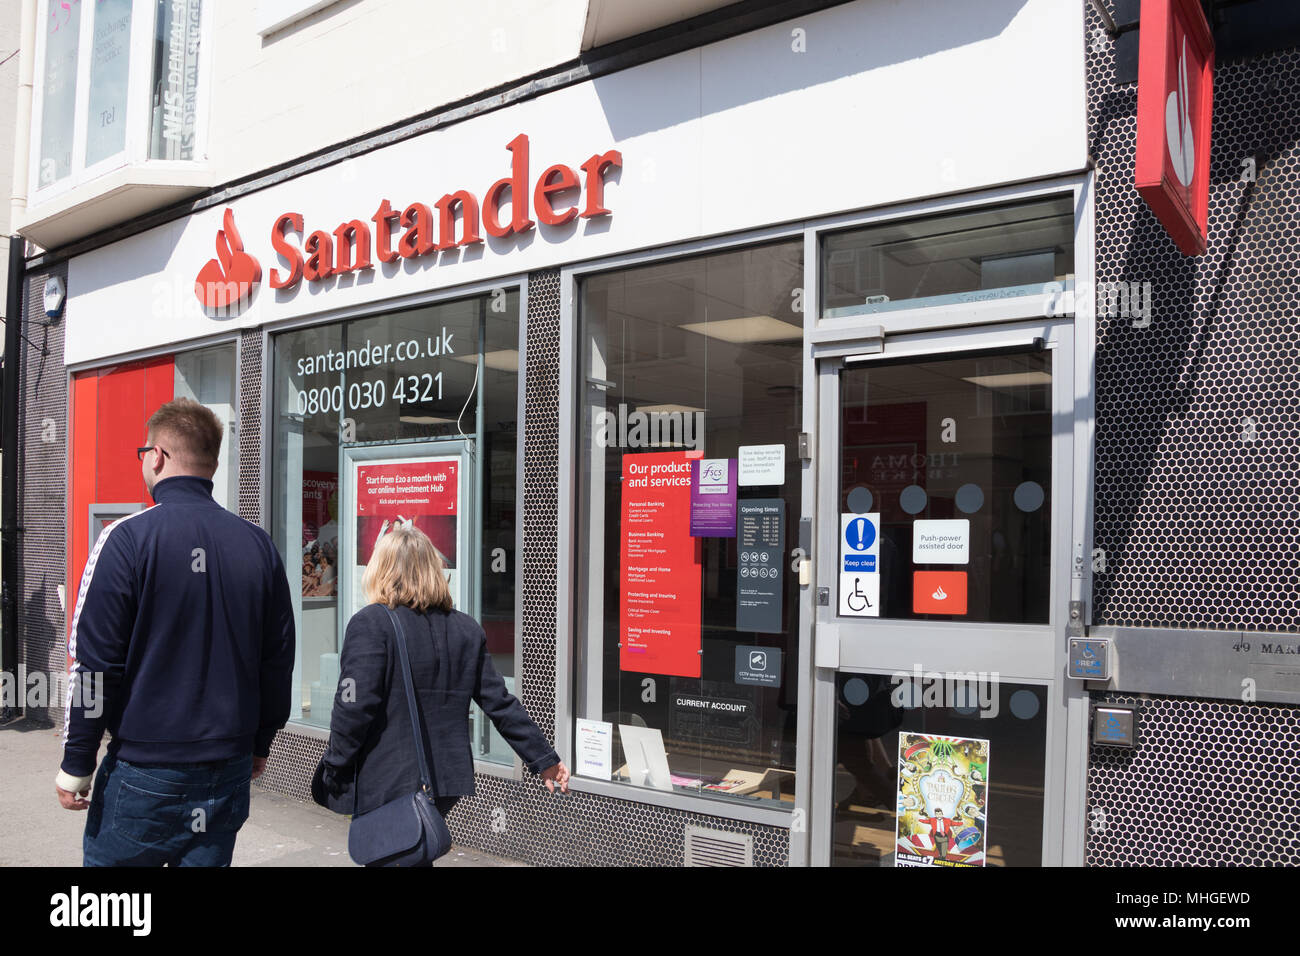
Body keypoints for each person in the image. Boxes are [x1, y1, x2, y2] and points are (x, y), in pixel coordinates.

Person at [55, 397, 296, 867]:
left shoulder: (126, 539)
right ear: (213, 462)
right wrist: (260, 742)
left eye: (144, 453)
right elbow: (278, 659)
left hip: (146, 769)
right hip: (226, 767)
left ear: (158, 456)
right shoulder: (257, 545)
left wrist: (76, 764)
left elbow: (94, 666)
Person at [313, 524, 568, 846]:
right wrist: (544, 759)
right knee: (412, 853)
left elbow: (354, 706)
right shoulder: (465, 628)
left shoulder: (371, 623)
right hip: (445, 778)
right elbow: (499, 702)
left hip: (387, 775)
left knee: (392, 854)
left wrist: (336, 762)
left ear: (381, 569)